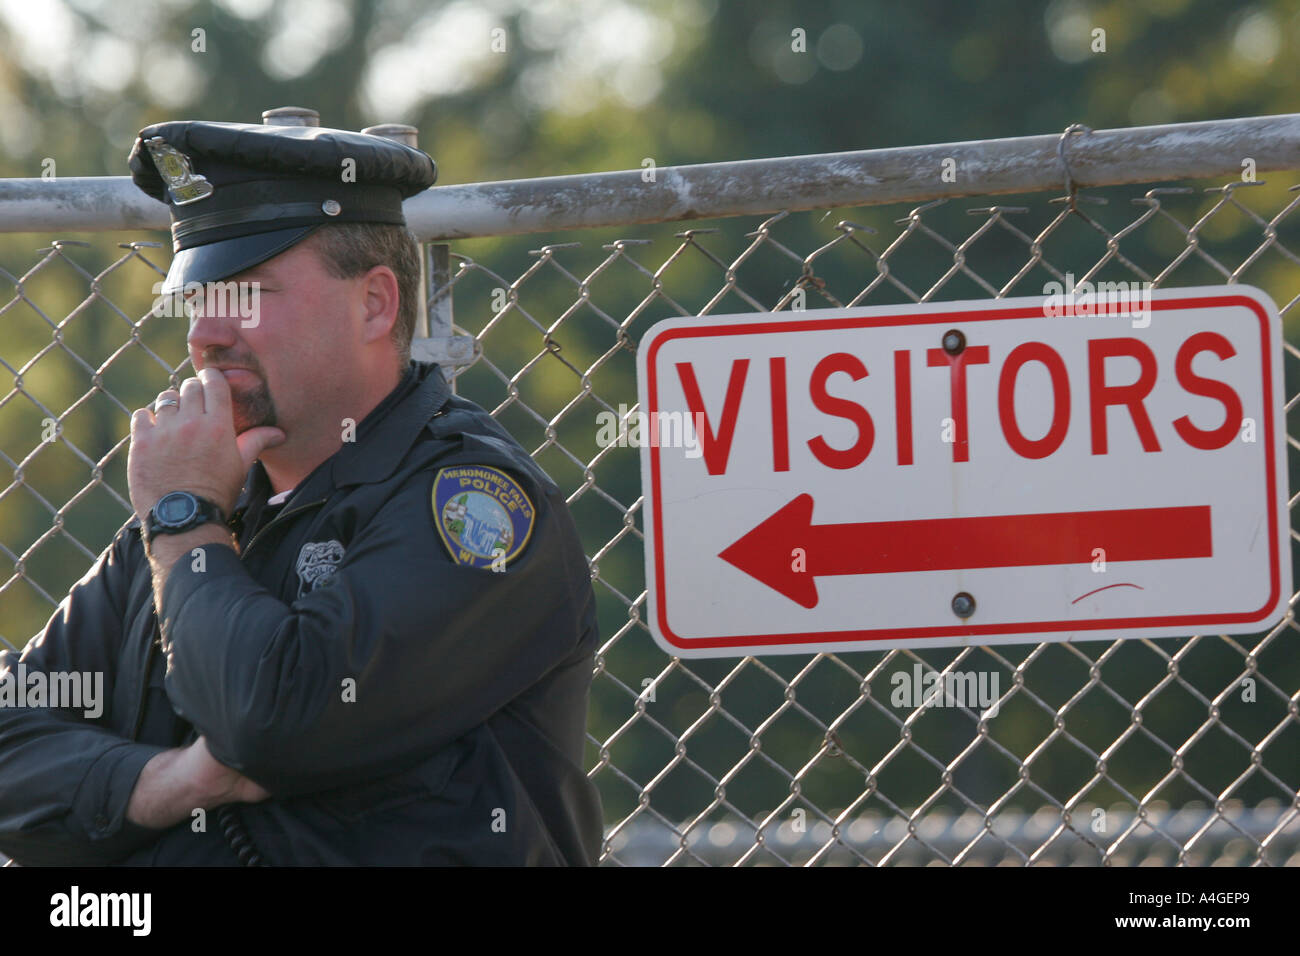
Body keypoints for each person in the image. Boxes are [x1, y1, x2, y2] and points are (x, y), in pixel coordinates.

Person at [0, 118, 604, 865]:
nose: (206, 335)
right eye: (198, 298)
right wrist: (166, 783)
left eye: (248, 294)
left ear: (376, 305)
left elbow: (273, 724)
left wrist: (186, 522)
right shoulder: (194, 503)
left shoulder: (475, 502)